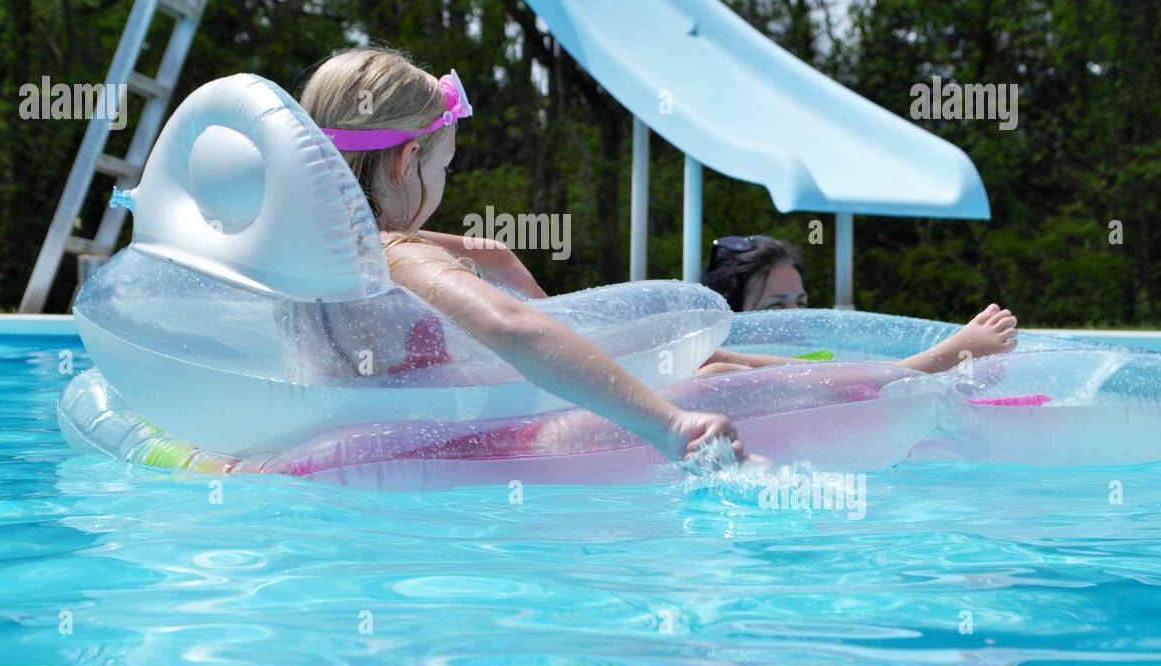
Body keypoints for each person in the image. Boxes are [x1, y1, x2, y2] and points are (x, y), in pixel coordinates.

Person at [299, 48, 739, 463]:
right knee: (707, 380)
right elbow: (512, 327)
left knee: (704, 365)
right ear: (407, 159)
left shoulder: (312, 253)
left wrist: (502, 260)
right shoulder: (400, 255)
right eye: (444, 167)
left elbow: (480, 255)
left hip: (368, 458)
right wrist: (673, 426)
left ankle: (802, 366)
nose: (445, 179)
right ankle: (805, 376)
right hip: (467, 462)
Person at [698, 234, 1019, 375]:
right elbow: (872, 383)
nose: (796, 317)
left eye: (802, 302)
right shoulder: (714, 368)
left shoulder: (821, 358)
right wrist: (952, 352)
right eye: (776, 308)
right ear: (733, 318)